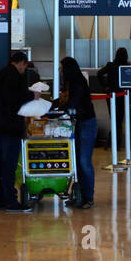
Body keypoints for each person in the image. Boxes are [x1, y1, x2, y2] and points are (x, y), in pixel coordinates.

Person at [0, 51, 39, 212]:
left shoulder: (0, 75)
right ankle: (10, 201)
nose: (24, 69)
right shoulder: (14, 76)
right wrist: (33, 95)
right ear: (22, 63)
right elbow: (15, 99)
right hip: (10, 128)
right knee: (8, 165)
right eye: (25, 66)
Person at [55, 57, 96, 209]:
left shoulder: (77, 83)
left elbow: (73, 103)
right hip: (78, 124)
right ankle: (80, 195)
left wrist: (57, 110)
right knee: (77, 161)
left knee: (84, 161)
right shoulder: (70, 83)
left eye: (62, 68)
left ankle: (89, 197)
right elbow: (65, 102)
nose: (60, 71)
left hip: (86, 124)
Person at [98, 47, 131, 140]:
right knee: (120, 118)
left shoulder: (110, 65)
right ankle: (117, 140)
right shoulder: (127, 66)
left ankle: (112, 139)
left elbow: (99, 73)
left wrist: (105, 86)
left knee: (113, 117)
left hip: (111, 94)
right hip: (122, 95)